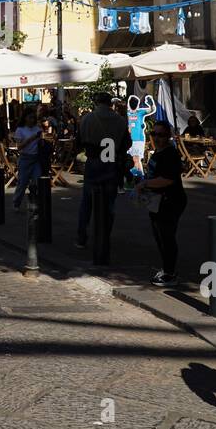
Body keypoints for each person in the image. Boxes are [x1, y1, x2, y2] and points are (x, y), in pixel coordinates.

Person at [75, 90, 131, 261]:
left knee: (87, 202)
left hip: (93, 163)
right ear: (110, 103)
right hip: (111, 164)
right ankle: (104, 235)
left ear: (97, 102)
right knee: (109, 204)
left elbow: (79, 142)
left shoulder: (88, 118)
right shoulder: (120, 120)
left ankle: (82, 237)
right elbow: (127, 143)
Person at [136, 120, 187, 287]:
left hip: (170, 200)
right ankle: (166, 269)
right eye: (154, 134)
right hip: (157, 201)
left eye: (161, 135)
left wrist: (145, 184)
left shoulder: (170, 154)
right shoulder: (158, 152)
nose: (156, 138)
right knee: (159, 236)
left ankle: (170, 273)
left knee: (166, 237)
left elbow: (167, 180)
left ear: (168, 136)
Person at [11, 108, 42, 210]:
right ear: (25, 118)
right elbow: (19, 147)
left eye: (33, 118)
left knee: (37, 181)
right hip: (25, 158)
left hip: (36, 158)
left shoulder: (37, 129)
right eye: (30, 118)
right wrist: (31, 139)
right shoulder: (20, 130)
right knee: (22, 183)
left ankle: (34, 201)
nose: (32, 120)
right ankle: (16, 202)